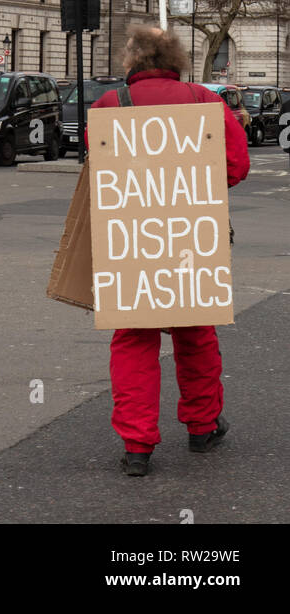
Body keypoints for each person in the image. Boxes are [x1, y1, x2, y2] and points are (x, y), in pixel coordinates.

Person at [87, 24, 250, 477]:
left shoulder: (108, 105)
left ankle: (137, 445)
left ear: (131, 64)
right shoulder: (202, 100)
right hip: (189, 233)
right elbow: (236, 165)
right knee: (195, 333)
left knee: (133, 338)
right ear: (175, 59)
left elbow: (99, 169)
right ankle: (202, 426)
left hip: (131, 238)